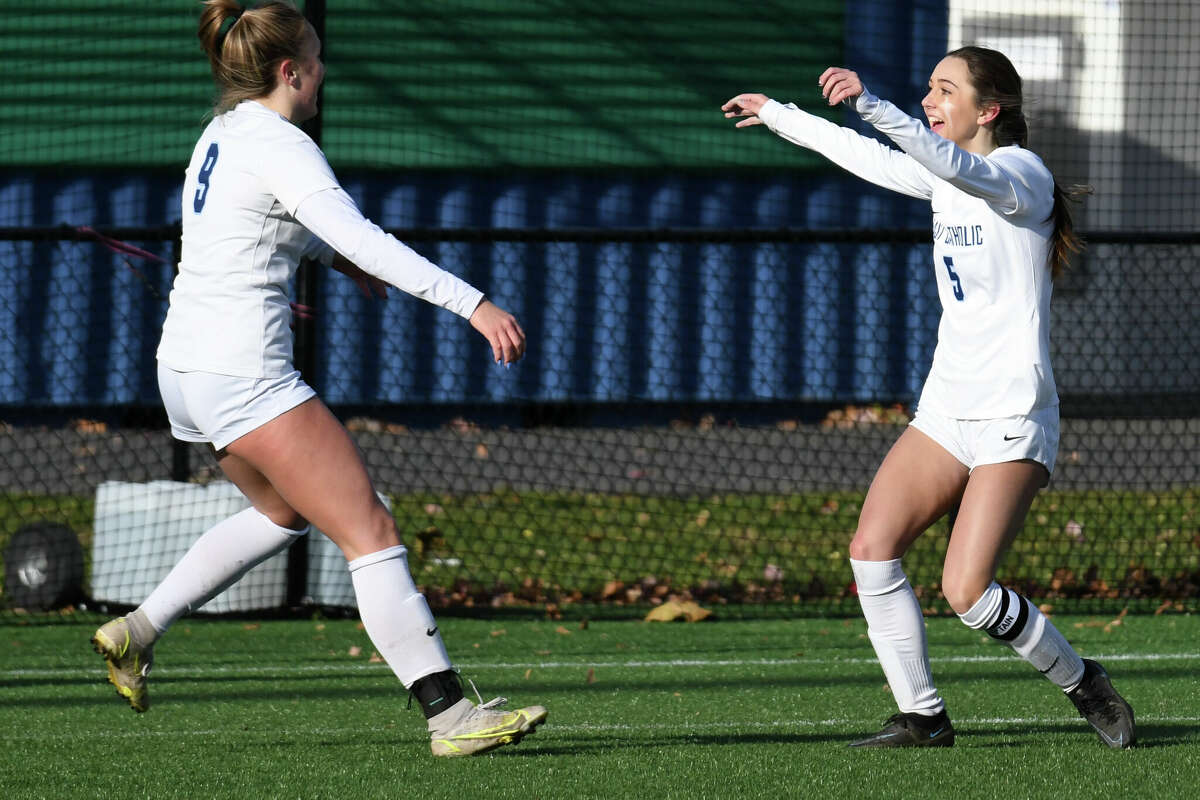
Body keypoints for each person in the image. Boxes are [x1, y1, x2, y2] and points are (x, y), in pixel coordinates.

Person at [90, 0, 546, 757]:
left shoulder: (223, 131)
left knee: (283, 516)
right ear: (289, 71)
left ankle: (136, 630)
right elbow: (359, 231)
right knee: (370, 533)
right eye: (318, 58)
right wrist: (474, 304)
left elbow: (265, 222)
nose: (326, 71)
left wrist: (335, 262)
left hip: (184, 374)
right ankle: (449, 716)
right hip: (244, 375)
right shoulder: (282, 143)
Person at [723, 46, 1135, 749]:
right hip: (947, 407)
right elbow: (870, 159)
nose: (931, 100)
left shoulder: (1021, 176)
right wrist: (780, 114)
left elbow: (958, 167)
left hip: (1013, 413)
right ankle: (923, 716)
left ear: (989, 110)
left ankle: (1081, 680)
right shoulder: (946, 171)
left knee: (968, 593)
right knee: (872, 549)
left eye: (946, 91)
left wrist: (872, 102)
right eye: (928, 89)